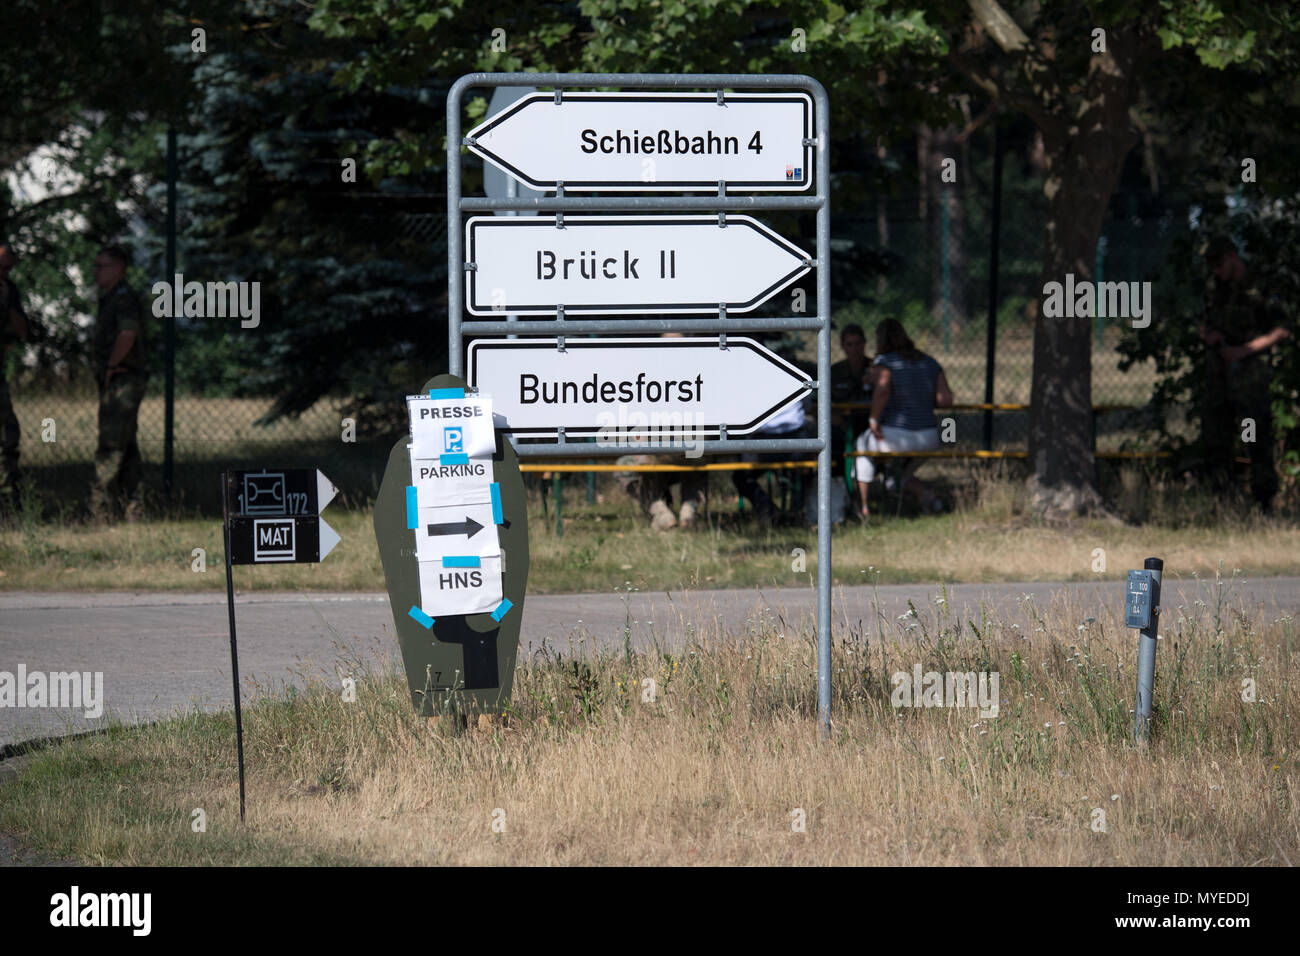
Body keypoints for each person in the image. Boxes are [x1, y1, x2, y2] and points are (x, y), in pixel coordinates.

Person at [1198, 235, 1292, 512]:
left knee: (1254, 436)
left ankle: (1264, 501)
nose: (1216, 270)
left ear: (1233, 255)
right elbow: (1202, 323)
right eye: (1211, 266)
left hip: (1249, 376)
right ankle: (1224, 500)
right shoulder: (1215, 287)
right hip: (1219, 375)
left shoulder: (1260, 285)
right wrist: (1210, 336)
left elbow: (1282, 329)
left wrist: (1245, 350)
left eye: (1219, 263)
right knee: (1217, 437)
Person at [854, 317, 952, 518]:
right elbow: (945, 400)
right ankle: (931, 499)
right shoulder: (929, 362)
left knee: (861, 447)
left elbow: (882, 389)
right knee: (896, 476)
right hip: (929, 436)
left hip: (895, 434)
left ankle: (862, 507)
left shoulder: (885, 362)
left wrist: (873, 419)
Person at [91, 245, 149, 521]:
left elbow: (127, 332)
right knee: (126, 446)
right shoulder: (112, 297)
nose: (95, 272)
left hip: (123, 379)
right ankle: (132, 509)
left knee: (111, 445)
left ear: (118, 269)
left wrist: (113, 365)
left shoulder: (123, 299)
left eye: (101, 266)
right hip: (119, 378)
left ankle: (100, 511)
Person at [0, 241, 29, 507]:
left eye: (7, 265)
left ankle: (9, 497)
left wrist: (7, 299)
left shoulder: (10, 291)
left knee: (9, 434)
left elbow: (20, 330)